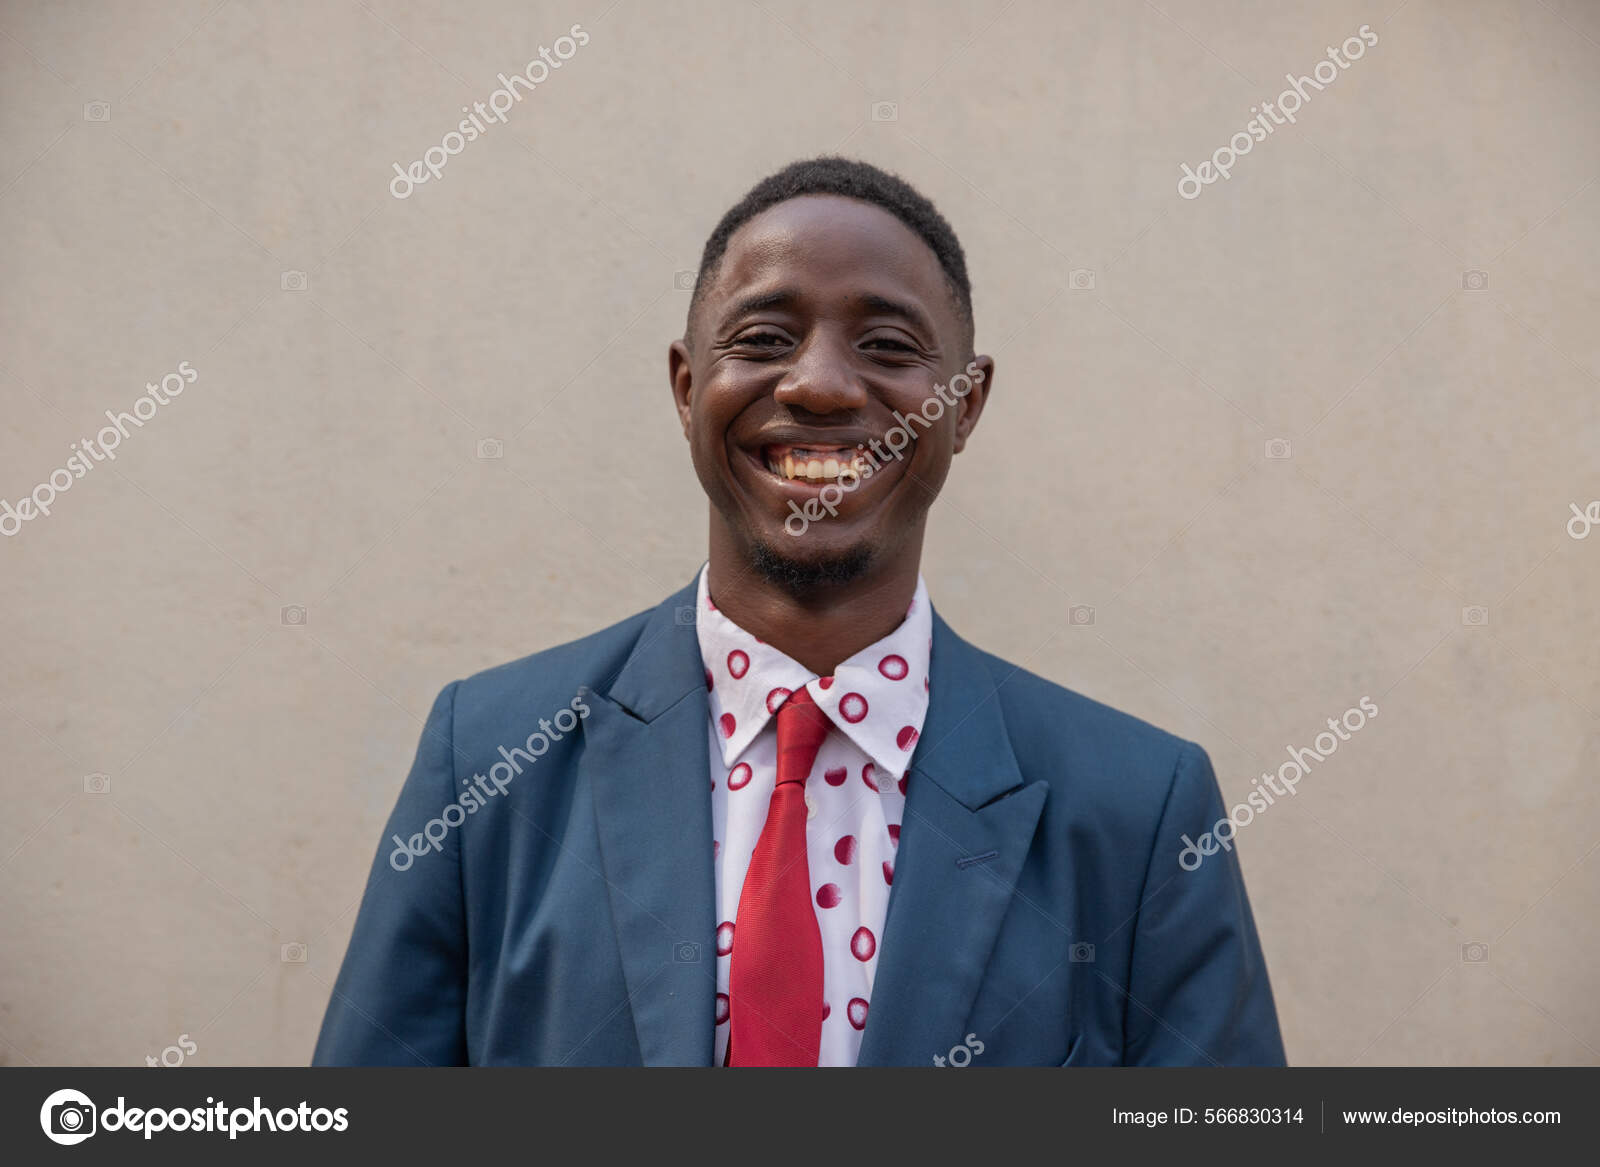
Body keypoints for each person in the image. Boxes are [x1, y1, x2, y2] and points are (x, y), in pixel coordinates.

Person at [313, 156, 1285, 1067]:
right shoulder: (487, 762)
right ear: (688, 389)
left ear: (965, 403)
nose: (818, 383)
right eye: (764, 339)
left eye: (888, 345)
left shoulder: (1141, 810)